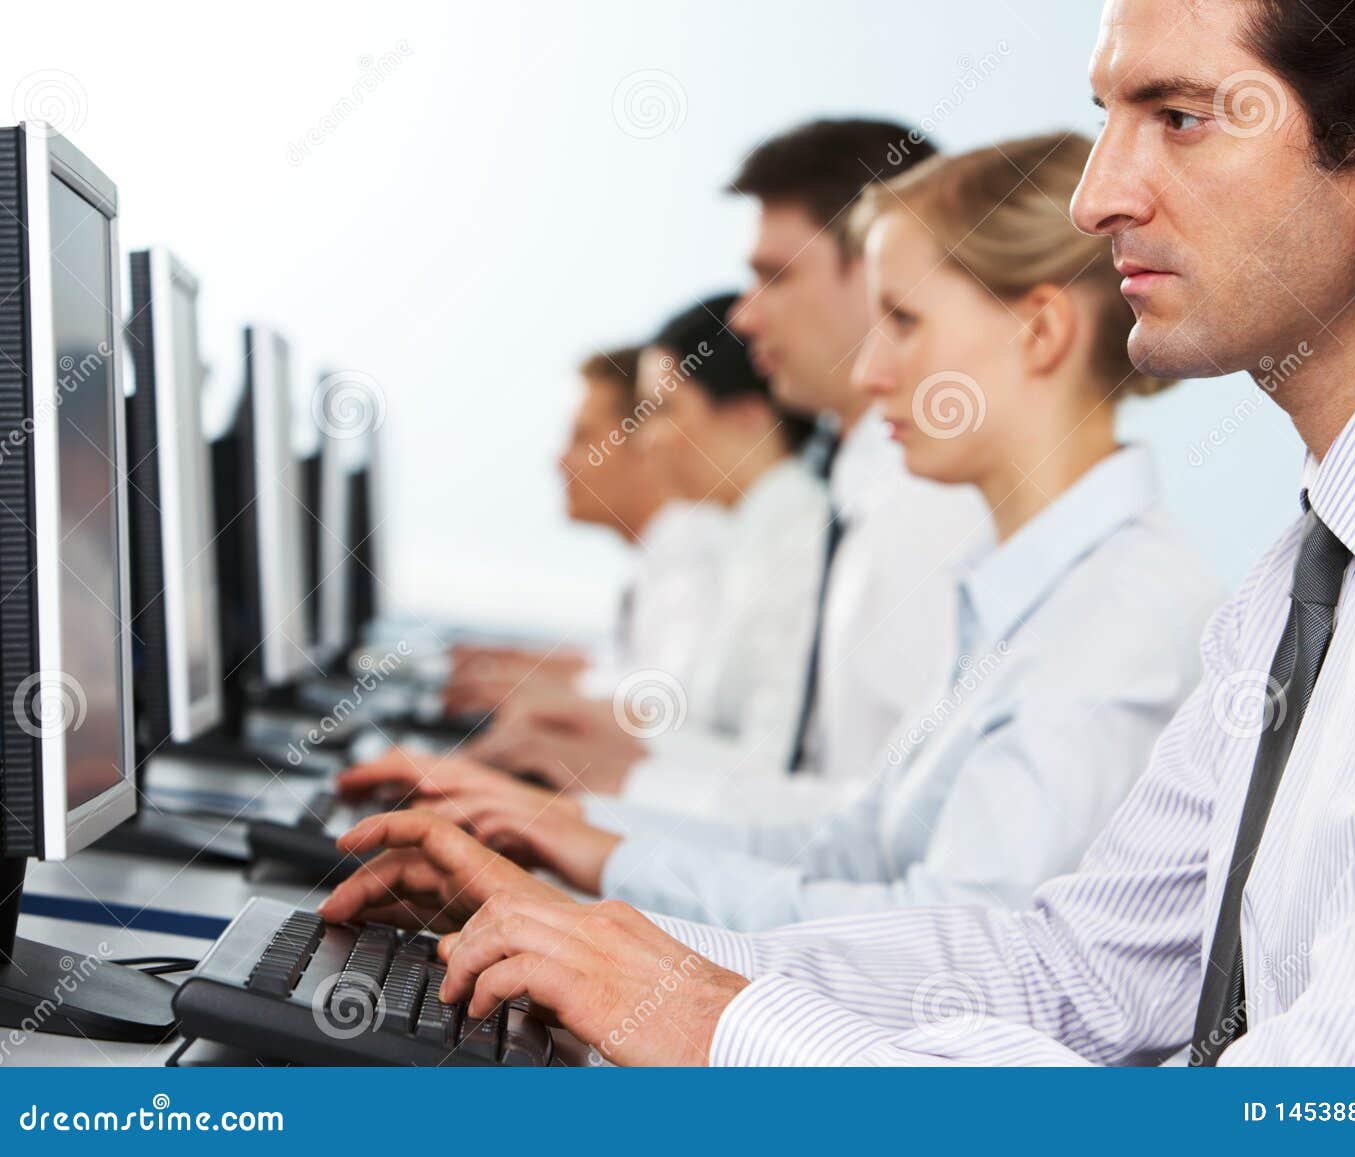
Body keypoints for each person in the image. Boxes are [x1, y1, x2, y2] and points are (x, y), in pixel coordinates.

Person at [324, 0, 1355, 1066]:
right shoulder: (1308, 569)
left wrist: (712, 1020)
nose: (1101, 194)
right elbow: (1080, 967)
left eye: (1178, 116)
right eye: (1107, 117)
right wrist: (620, 950)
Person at [338, 133, 1223, 932]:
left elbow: (952, 945)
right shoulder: (1013, 579)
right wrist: (573, 836)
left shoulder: (1121, 615)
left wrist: (591, 881)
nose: (873, 371)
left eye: (904, 323)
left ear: (1040, 331)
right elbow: (855, 848)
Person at [470, 120, 996, 823]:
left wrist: (610, 794)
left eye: (774, 275)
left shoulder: (926, 518)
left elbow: (886, 844)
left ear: (880, 270)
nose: (744, 317)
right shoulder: (861, 498)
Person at [471, 294, 828, 774]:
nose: (644, 438)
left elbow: (769, 769)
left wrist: (587, 744)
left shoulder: (798, 542)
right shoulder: (756, 538)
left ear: (749, 417)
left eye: (664, 410)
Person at [444, 347, 730, 715]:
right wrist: (550, 675)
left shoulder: (696, 556)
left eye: (583, 437)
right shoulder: (663, 560)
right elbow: (643, 678)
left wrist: (551, 693)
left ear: (645, 442)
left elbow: (669, 715)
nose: (560, 460)